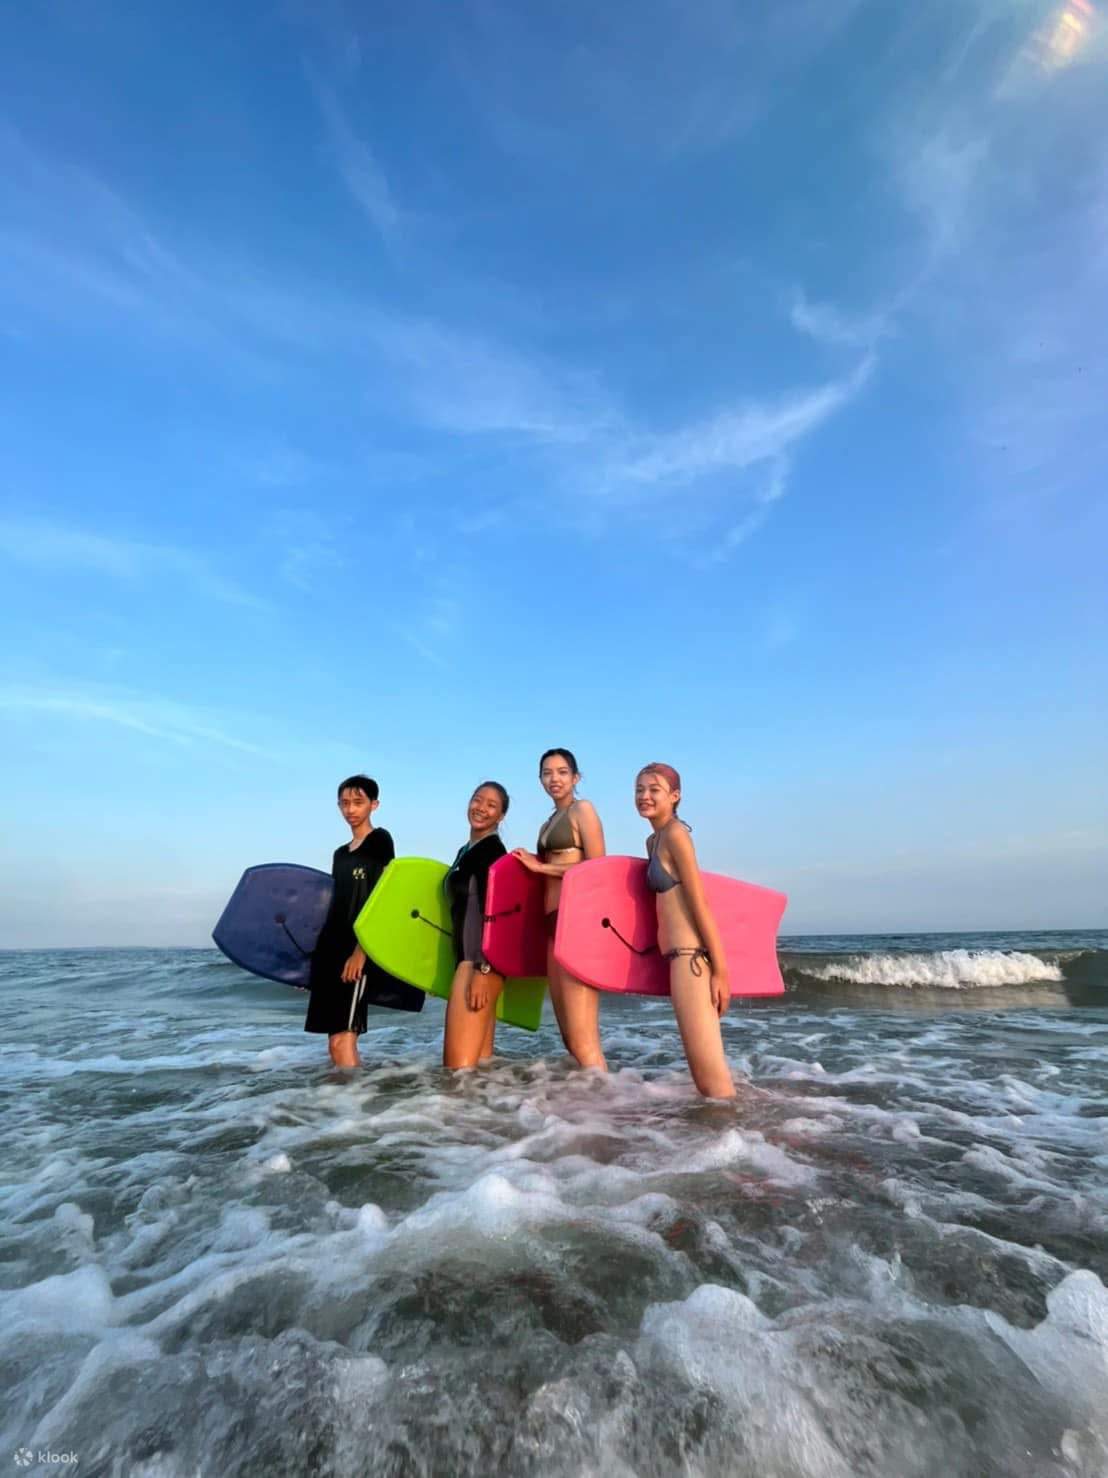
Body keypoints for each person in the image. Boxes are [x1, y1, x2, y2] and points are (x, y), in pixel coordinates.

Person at [305, 775, 423, 1067]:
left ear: (374, 804)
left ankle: (356, 1106)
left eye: (358, 802)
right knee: (333, 1043)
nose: (351, 810)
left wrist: (362, 951)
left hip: (357, 950)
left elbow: (384, 897)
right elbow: (334, 907)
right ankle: (344, 1104)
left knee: (343, 1040)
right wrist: (311, 963)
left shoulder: (380, 840)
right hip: (331, 950)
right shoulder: (340, 854)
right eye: (344, 803)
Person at [635, 763, 734, 1098]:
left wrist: (719, 971)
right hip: (675, 961)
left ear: (674, 796)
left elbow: (699, 903)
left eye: (654, 789)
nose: (644, 796)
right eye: (639, 789)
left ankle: (742, 1144)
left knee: (711, 1081)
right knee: (702, 1075)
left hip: (691, 961)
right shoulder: (653, 840)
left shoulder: (676, 835)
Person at [512, 748, 607, 1070]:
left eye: (562, 772)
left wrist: (541, 869)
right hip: (551, 923)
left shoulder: (583, 810)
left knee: (583, 1039)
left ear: (576, 777)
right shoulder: (548, 823)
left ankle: (613, 1109)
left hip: (575, 921)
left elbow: (597, 869)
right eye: (547, 773)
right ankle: (584, 1112)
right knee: (568, 1036)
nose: (554, 778)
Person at [442, 782, 511, 1070]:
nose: (481, 808)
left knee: (456, 1072)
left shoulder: (493, 852)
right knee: (478, 1070)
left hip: (476, 964)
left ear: (501, 816)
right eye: (477, 800)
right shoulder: (466, 851)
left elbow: (494, 913)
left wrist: (483, 969)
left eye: (491, 805)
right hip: (473, 964)